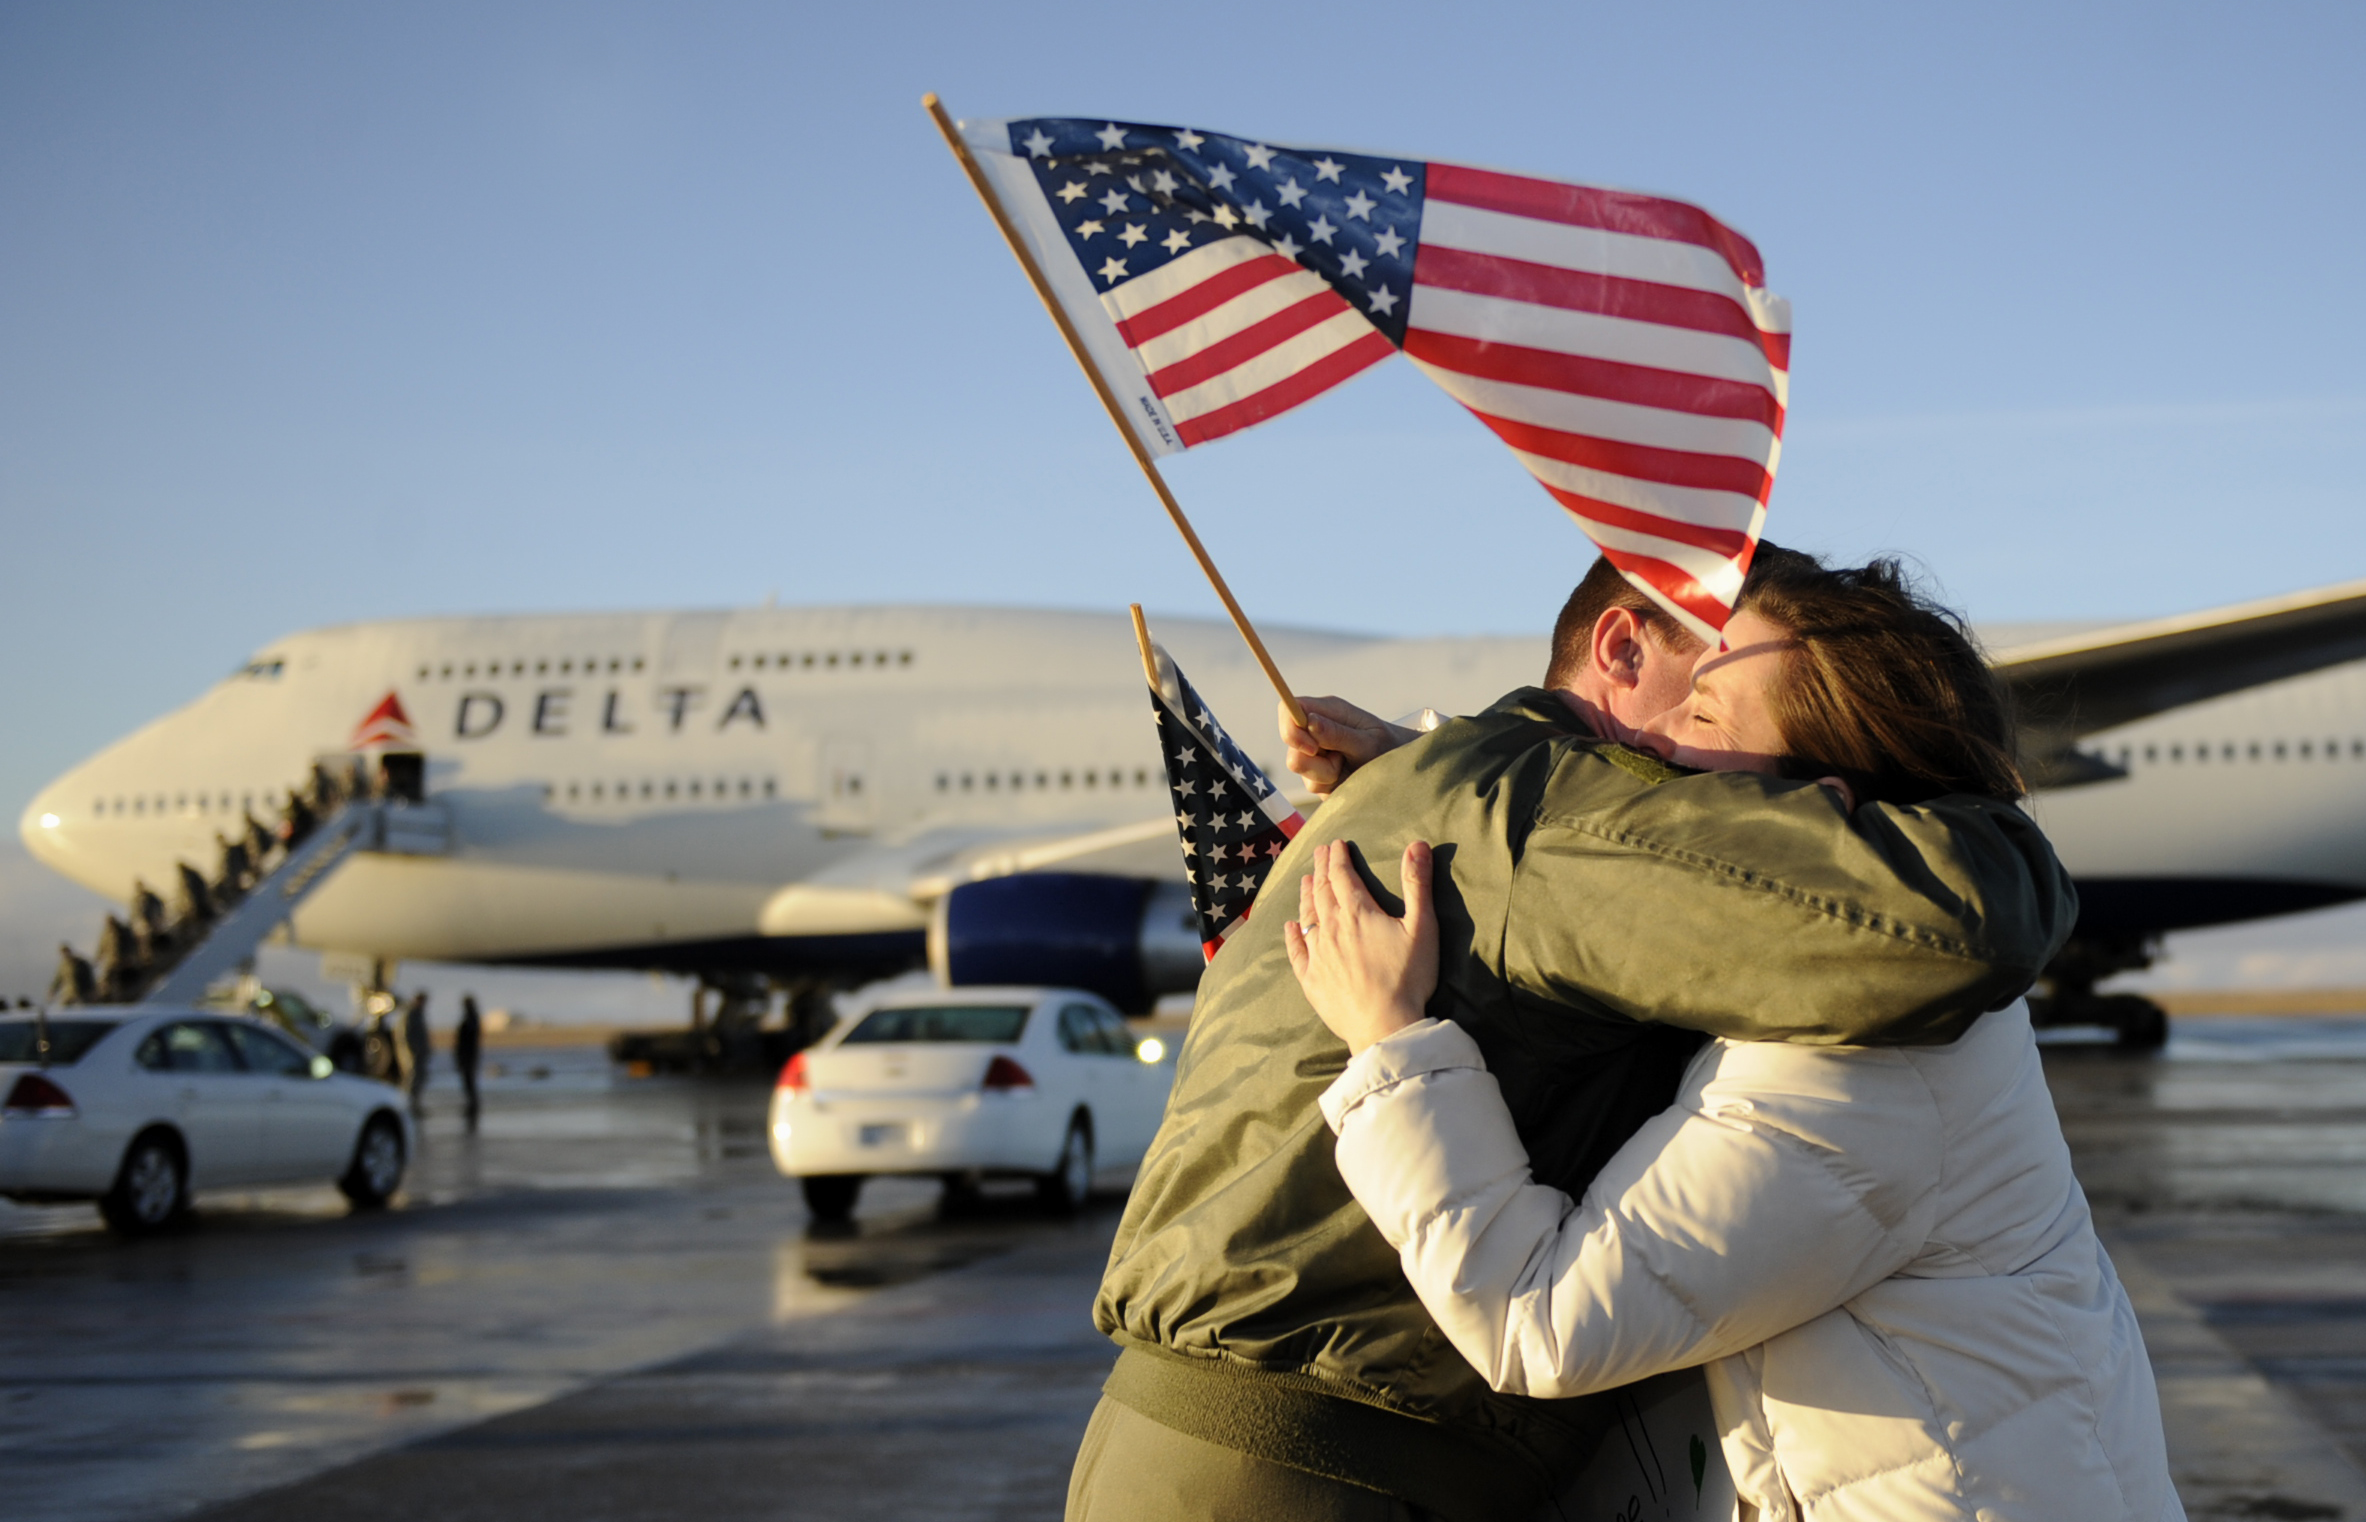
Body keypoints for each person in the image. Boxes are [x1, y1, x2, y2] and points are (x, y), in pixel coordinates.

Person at [1066, 551, 2077, 1522]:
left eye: (1723, 715)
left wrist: (1424, 760)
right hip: (1307, 1469)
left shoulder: (1496, 804)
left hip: (1286, 1450)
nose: (1696, 761)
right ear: (1624, 649)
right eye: (1703, 693)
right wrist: (1993, 826)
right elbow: (1950, 915)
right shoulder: (1543, 817)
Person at [454, 994, 483, 1131]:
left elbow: (467, 1039)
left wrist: (461, 1055)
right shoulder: (473, 1018)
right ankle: (472, 1105)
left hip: (468, 1055)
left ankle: (472, 1106)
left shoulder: (471, 1019)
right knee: (469, 1081)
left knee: (469, 1081)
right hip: (469, 1055)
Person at [401, 991, 431, 1113]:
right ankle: (408, 1105)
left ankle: (414, 1104)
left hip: (420, 1053)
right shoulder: (412, 1014)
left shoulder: (419, 1014)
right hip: (414, 1053)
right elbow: (407, 1035)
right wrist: (412, 1050)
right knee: (413, 1078)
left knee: (419, 1078)